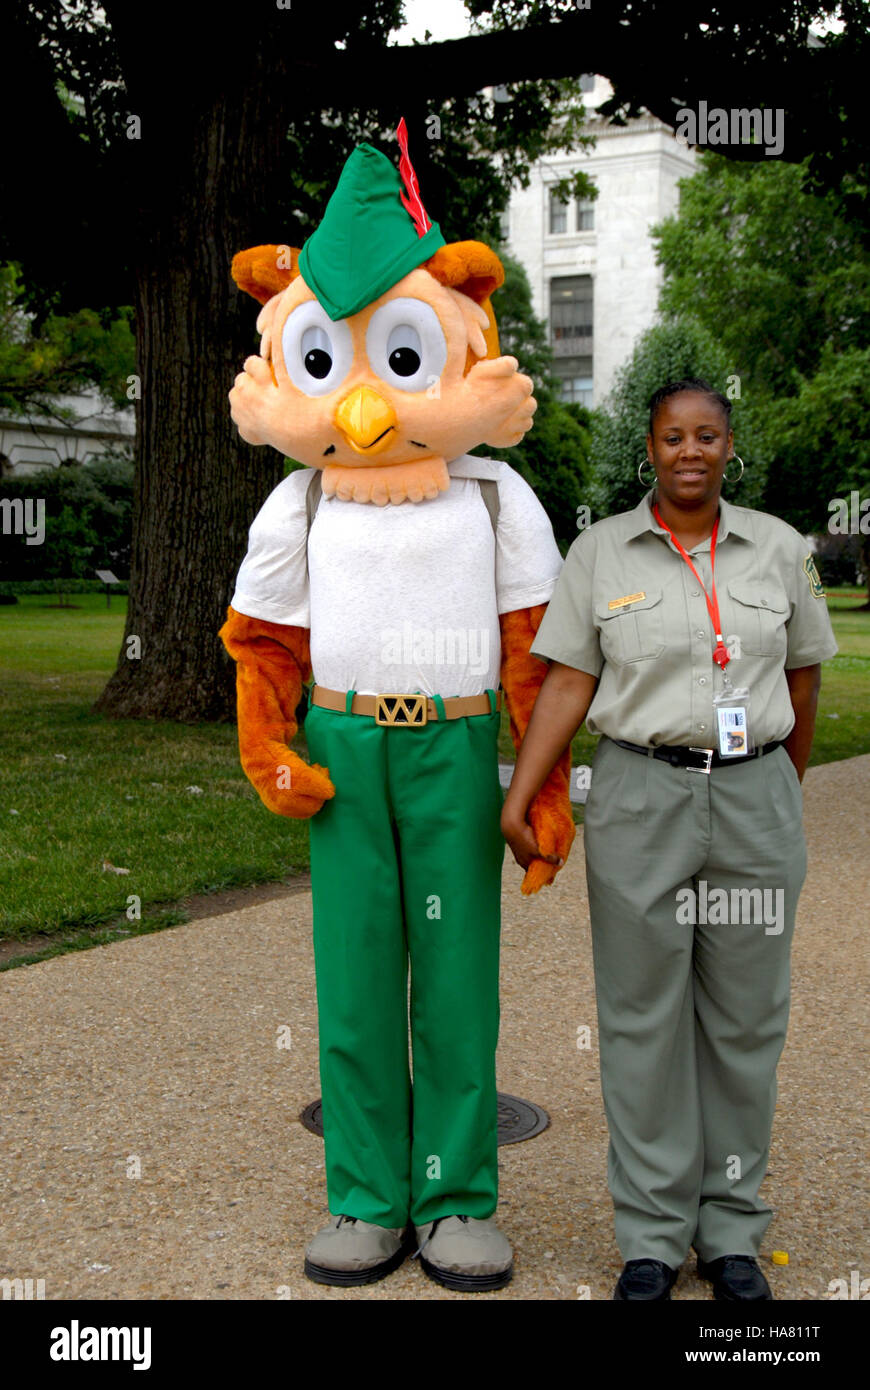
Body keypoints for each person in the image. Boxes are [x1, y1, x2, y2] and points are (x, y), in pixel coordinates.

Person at [501, 378, 838, 1301]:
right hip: (641, 799)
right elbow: (568, 683)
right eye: (670, 437)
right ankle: (650, 1235)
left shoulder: (779, 549)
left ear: (730, 447)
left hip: (754, 802)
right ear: (648, 449)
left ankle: (730, 1231)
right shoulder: (601, 553)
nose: (689, 451)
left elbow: (804, 685)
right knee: (642, 1018)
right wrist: (522, 795)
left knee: (745, 1022)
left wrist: (771, 785)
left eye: (706, 436)